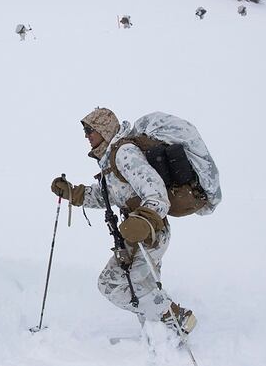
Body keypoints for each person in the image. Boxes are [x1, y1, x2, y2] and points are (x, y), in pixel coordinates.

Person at [50, 108, 196, 336]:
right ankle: (160, 338)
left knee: (112, 284)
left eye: (90, 130)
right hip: (136, 234)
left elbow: (157, 194)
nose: (86, 136)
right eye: (85, 130)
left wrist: (144, 221)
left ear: (105, 130)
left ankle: (176, 318)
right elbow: (106, 196)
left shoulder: (125, 154)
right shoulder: (109, 159)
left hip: (149, 234)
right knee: (142, 286)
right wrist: (73, 193)